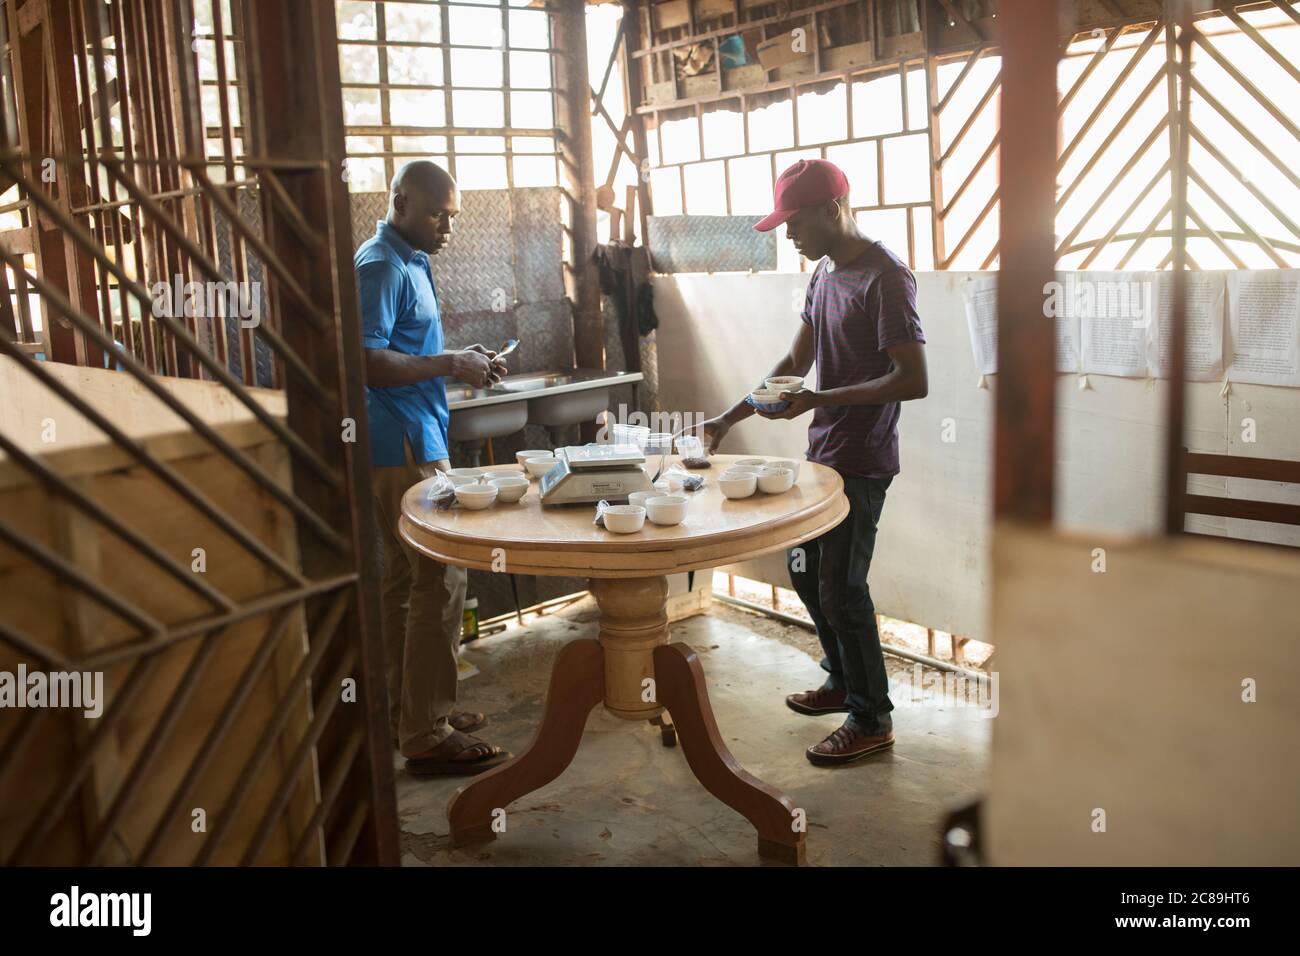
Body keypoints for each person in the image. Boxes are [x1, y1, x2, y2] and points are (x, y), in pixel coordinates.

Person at [697, 159, 928, 766]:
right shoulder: (824, 273)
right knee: (804, 569)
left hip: (864, 459)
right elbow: (794, 363)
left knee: (843, 587)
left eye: (795, 222)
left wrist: (819, 400)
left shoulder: (886, 278)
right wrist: (730, 417)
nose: (789, 236)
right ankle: (842, 680)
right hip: (823, 454)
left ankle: (871, 717)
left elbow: (913, 379)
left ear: (832, 210)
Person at [356, 160, 509, 775]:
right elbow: (367, 360)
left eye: (452, 216)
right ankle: (426, 732)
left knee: (406, 582)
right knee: (442, 579)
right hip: (404, 445)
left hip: (411, 435)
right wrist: (451, 364)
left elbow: (405, 348)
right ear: (399, 201)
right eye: (435, 213)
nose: (446, 226)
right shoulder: (381, 265)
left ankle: (411, 713)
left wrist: (462, 361)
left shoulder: (410, 259)